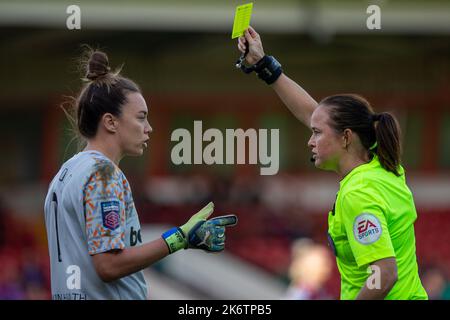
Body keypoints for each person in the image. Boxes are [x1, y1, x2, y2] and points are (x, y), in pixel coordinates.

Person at [237, 26, 427, 300]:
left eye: (316, 134)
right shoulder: (385, 167)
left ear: (347, 137)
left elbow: (383, 273)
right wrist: (265, 66)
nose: (309, 141)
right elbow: (313, 114)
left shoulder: (358, 193)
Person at [44, 50, 237, 300]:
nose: (149, 128)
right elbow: (108, 266)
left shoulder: (67, 171)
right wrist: (178, 239)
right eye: (141, 118)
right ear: (111, 122)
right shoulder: (103, 174)